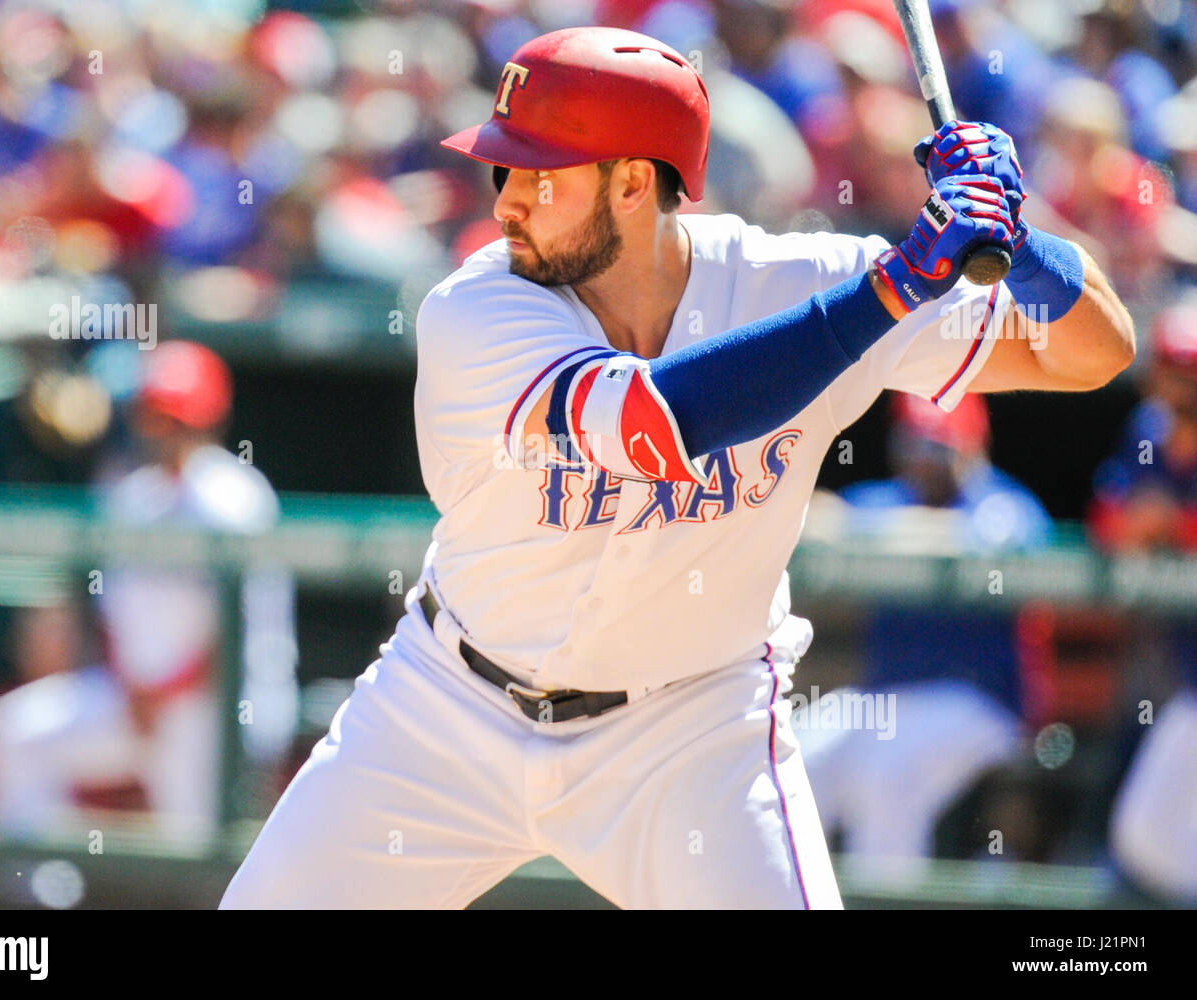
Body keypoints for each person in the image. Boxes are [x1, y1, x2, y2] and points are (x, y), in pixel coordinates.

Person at [222, 26, 1133, 909]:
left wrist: (1022, 235)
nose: (505, 199)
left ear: (630, 183)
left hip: (691, 729)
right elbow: (658, 424)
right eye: (504, 166)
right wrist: (888, 294)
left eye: (539, 174)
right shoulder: (479, 305)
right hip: (450, 706)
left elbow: (1093, 352)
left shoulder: (797, 278)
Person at [0, 341, 298, 844]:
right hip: (133, 700)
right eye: (151, 414)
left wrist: (160, 694)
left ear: (205, 420)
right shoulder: (132, 498)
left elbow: (239, 638)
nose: (159, 428)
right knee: (14, 730)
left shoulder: (236, 498)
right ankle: (45, 892)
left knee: (201, 854)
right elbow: (111, 616)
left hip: (219, 707)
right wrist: (132, 689)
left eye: (172, 416)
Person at [795, 392, 1052, 860]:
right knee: (790, 759)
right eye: (911, 445)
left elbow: (994, 539)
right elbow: (815, 517)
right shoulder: (884, 500)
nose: (922, 459)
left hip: (981, 703)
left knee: (887, 777)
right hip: (885, 700)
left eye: (936, 446)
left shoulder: (1004, 505)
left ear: (971, 445)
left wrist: (873, 532)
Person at [1091, 300, 1197, 903]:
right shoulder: (1149, 432)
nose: (1171, 388)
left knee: (1149, 832)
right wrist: (1138, 523)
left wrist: (1177, 525)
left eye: (1185, 375)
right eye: (1168, 371)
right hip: (1173, 656)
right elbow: (1108, 516)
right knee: (1145, 834)